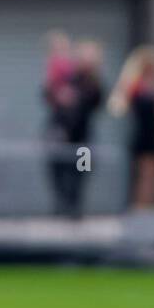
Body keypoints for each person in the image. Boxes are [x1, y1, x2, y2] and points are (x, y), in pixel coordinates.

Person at [44, 38, 104, 218]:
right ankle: (61, 206)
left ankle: (75, 209)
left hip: (82, 137)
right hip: (59, 133)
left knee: (81, 173)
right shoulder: (67, 77)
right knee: (58, 171)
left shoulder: (94, 83)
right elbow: (47, 94)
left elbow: (95, 102)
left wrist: (75, 97)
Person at [108, 45, 154, 209]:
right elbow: (118, 106)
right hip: (143, 134)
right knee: (145, 175)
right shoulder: (136, 86)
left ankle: (148, 205)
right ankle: (141, 207)